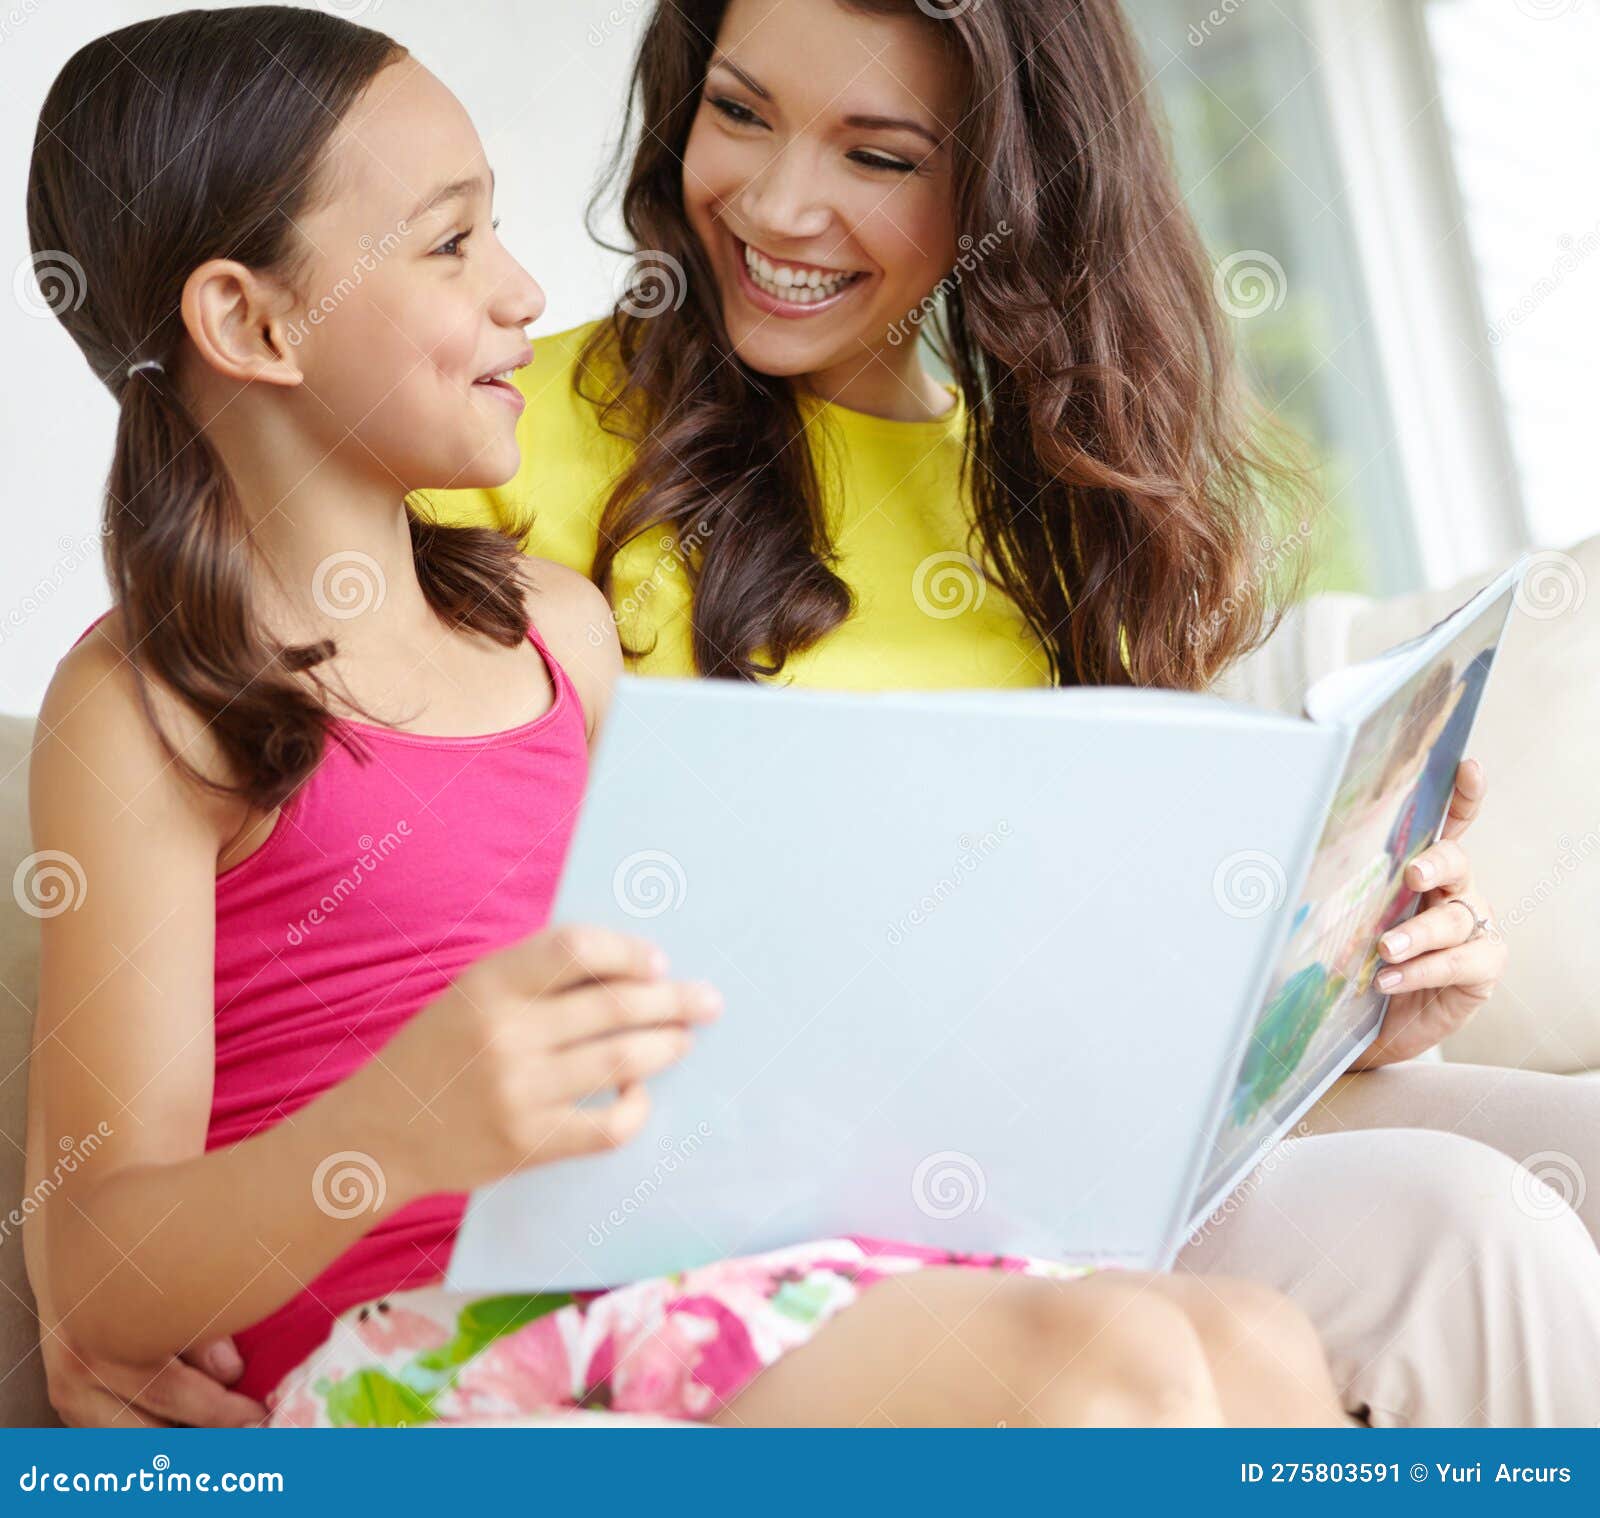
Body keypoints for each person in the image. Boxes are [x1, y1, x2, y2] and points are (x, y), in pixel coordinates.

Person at [21, 5, 1342, 1430]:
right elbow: (98, 1265)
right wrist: (394, 1130)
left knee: (1247, 1339)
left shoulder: (552, 632)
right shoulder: (146, 703)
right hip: (416, 1363)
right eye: (453, 243)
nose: (525, 289)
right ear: (253, 320)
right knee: (1116, 1375)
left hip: (667, 1278)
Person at [399, 0, 1598, 1424]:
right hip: (732, 1210)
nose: (777, 204)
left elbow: (1107, 986)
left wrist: (1344, 988)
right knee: (1462, 1223)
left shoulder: (1057, 503)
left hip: (1035, 1162)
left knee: (1538, 1176)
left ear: (1007, 193)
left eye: (880, 156)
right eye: (738, 111)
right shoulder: (489, 436)